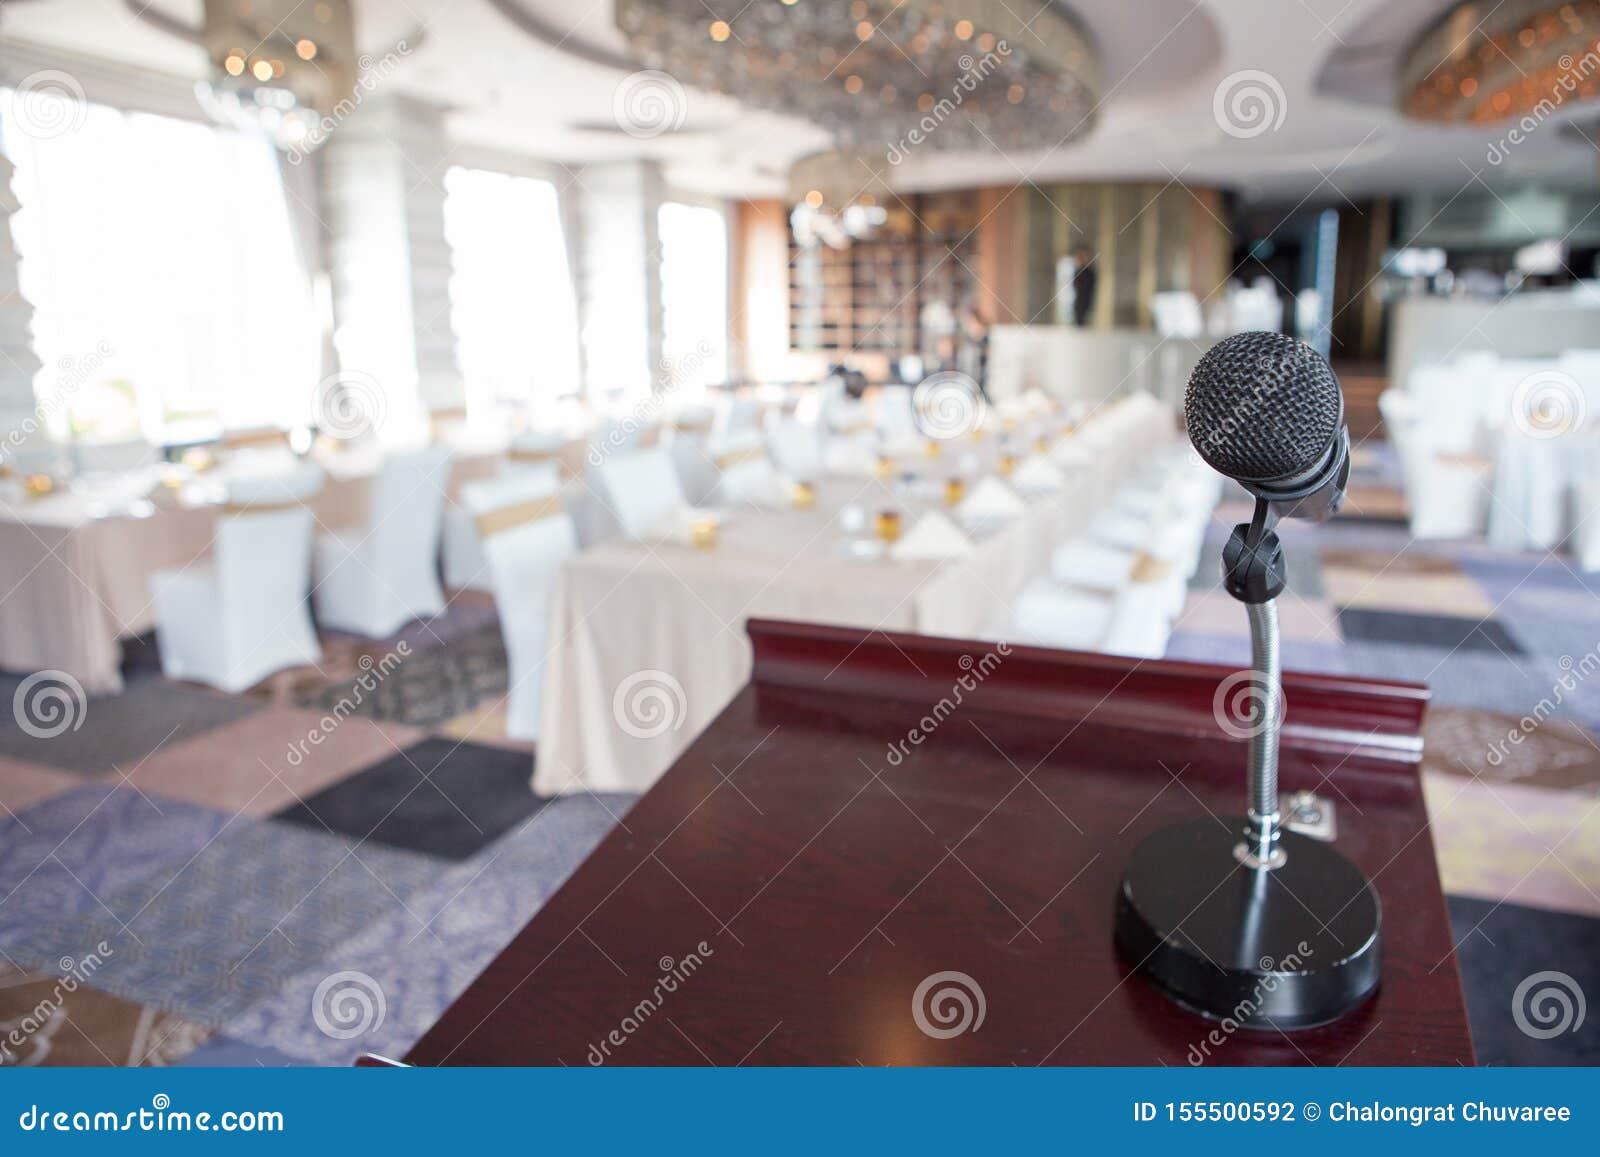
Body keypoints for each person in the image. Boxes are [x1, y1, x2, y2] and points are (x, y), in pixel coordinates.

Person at [1070, 245, 1097, 327]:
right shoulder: (1077, 270)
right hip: (1078, 300)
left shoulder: (1089, 271)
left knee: (1083, 320)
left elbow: (1091, 286)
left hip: (1086, 299)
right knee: (1078, 320)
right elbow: (1075, 285)